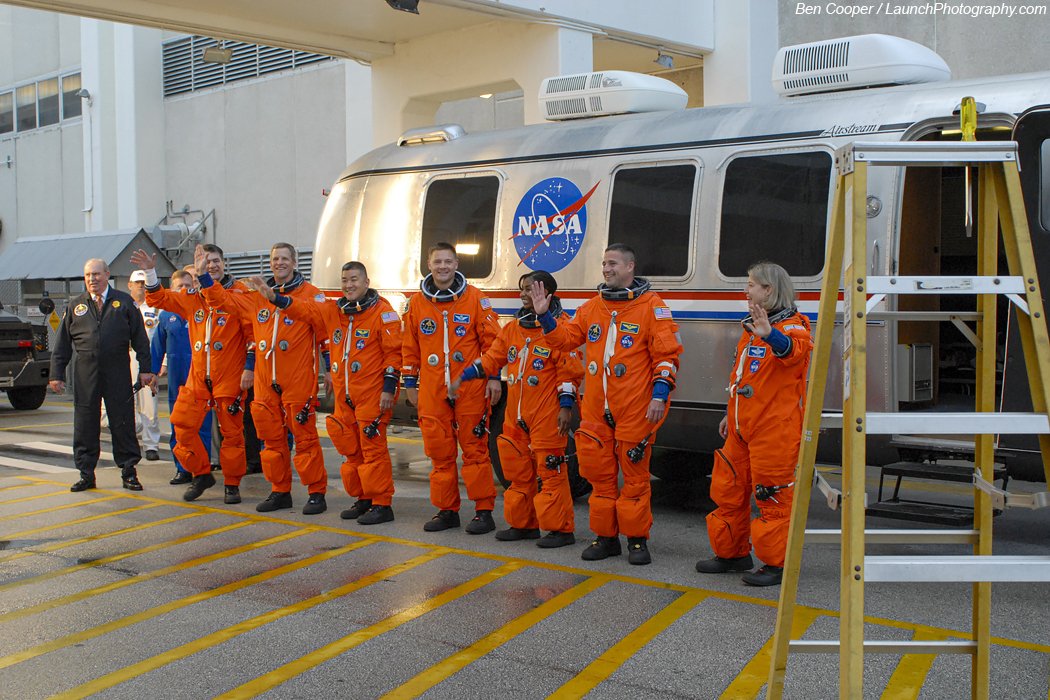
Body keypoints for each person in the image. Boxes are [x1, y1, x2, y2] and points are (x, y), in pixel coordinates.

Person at [528, 243, 683, 565]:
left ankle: (637, 541)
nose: (606, 269)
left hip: (635, 409)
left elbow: (666, 357)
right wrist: (545, 317)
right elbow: (565, 340)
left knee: (636, 479)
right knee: (599, 477)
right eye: (604, 264)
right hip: (598, 409)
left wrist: (659, 395)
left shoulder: (652, 307)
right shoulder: (592, 308)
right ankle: (606, 538)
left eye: (612, 263)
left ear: (630, 267)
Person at [249, 261, 402, 525]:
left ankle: (382, 504)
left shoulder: (383, 313)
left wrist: (389, 389)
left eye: (354, 279)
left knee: (373, 450)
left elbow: (394, 354)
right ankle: (364, 499)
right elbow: (305, 310)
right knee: (351, 450)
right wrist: (276, 299)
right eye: (345, 280)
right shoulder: (334, 311)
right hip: (345, 395)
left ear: (367, 282)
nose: (349, 285)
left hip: (372, 393)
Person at [695, 262, 812, 586]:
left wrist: (771, 336)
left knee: (771, 496)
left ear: (769, 290)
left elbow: (793, 353)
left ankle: (776, 565)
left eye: (751, 284)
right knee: (728, 491)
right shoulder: (752, 332)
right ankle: (732, 554)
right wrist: (728, 413)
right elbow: (743, 379)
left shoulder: (793, 327)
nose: (746, 290)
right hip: (740, 427)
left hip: (774, 430)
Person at [450, 271, 583, 548]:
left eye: (531, 289)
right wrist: (463, 377)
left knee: (550, 471)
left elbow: (569, 373)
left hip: (547, 411)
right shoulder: (513, 329)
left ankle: (561, 530)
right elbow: (491, 360)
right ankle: (524, 525)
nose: (524, 294)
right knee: (516, 471)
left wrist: (566, 407)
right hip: (517, 413)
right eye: (522, 289)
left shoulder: (562, 329)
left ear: (548, 294)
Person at [201, 242, 331, 514]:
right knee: (270, 440)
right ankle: (279, 491)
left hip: (297, 379)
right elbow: (224, 300)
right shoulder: (256, 295)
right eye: (275, 259)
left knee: (305, 439)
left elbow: (322, 326)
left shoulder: (312, 295)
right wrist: (204, 277)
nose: (279, 263)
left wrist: (328, 369)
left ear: (295, 263)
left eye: (285, 259)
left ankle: (316, 492)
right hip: (265, 380)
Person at [130, 244, 254, 504]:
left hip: (228, 376)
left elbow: (230, 310)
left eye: (215, 261)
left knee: (231, 434)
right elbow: (159, 299)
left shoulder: (241, 293)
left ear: (224, 263)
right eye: (205, 262)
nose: (211, 266)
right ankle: (201, 473)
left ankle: (232, 484)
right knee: (183, 428)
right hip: (198, 376)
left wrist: (249, 368)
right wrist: (151, 273)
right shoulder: (192, 298)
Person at [402, 242, 501, 534]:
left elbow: (493, 343)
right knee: (439, 451)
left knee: (474, 450)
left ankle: (483, 511)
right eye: (437, 262)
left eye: (448, 261)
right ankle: (447, 511)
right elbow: (409, 347)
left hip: (469, 386)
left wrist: (493, 377)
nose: (443, 267)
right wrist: (410, 382)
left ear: (456, 264)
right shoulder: (417, 303)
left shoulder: (475, 299)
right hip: (433, 388)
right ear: (428, 265)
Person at [49, 259, 154, 492]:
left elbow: (140, 340)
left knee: (122, 422)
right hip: (86, 373)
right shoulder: (76, 305)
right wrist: (56, 374)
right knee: (85, 423)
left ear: (107, 274)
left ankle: (129, 472)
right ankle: (86, 474)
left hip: (117, 371)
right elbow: (62, 344)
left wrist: (146, 369)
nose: (92, 279)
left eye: (96, 274)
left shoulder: (124, 302)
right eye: (87, 275)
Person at [150, 269, 214, 487]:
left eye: (189, 285)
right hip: (178, 379)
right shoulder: (165, 315)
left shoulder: (202, 310)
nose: (185, 290)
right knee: (179, 424)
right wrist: (152, 371)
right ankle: (181, 468)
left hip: (199, 377)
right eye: (180, 286)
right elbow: (157, 346)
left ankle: (201, 469)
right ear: (172, 289)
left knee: (202, 426)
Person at [128, 270, 162, 460]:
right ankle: (132, 436)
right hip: (126, 359)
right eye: (137, 282)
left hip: (148, 361)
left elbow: (161, 337)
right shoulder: (124, 306)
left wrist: (162, 363)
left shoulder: (156, 308)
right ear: (130, 285)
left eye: (143, 282)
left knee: (149, 404)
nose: (141, 285)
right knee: (126, 403)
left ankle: (151, 445)